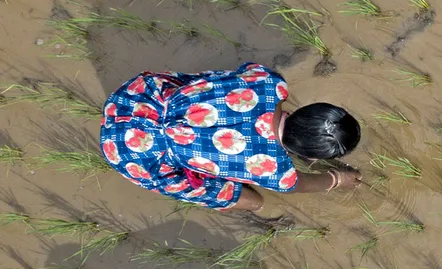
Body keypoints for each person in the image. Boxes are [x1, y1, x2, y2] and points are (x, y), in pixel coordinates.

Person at [99, 62, 363, 212]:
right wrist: (339, 179)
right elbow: (297, 184)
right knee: (255, 201)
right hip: (132, 153)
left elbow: (246, 69)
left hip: (136, 99)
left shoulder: (271, 83)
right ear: (309, 156)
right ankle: (246, 206)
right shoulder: (278, 174)